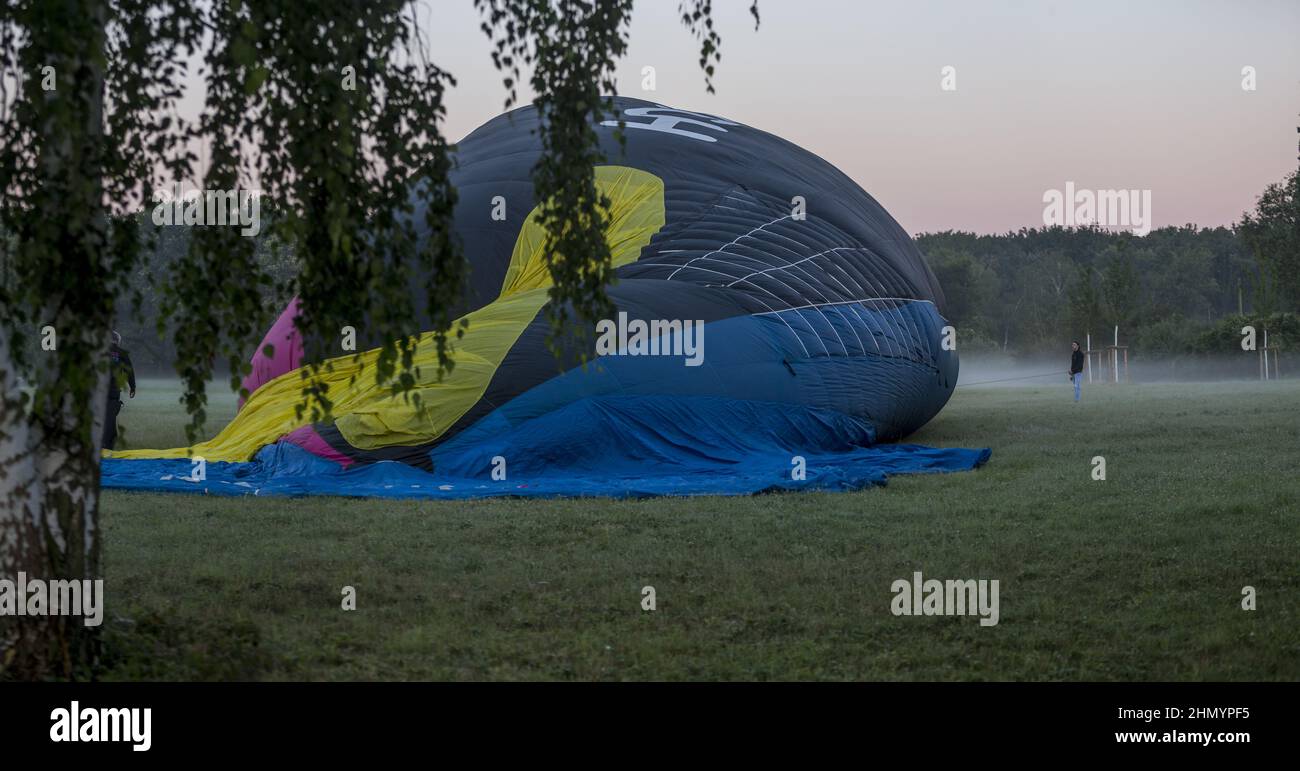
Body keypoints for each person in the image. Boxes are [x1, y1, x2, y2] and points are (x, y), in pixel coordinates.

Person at [103, 330, 136, 450]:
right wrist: (133, 387)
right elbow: (129, 371)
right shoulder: (121, 353)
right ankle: (107, 444)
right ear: (118, 341)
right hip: (113, 390)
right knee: (110, 417)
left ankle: (107, 442)